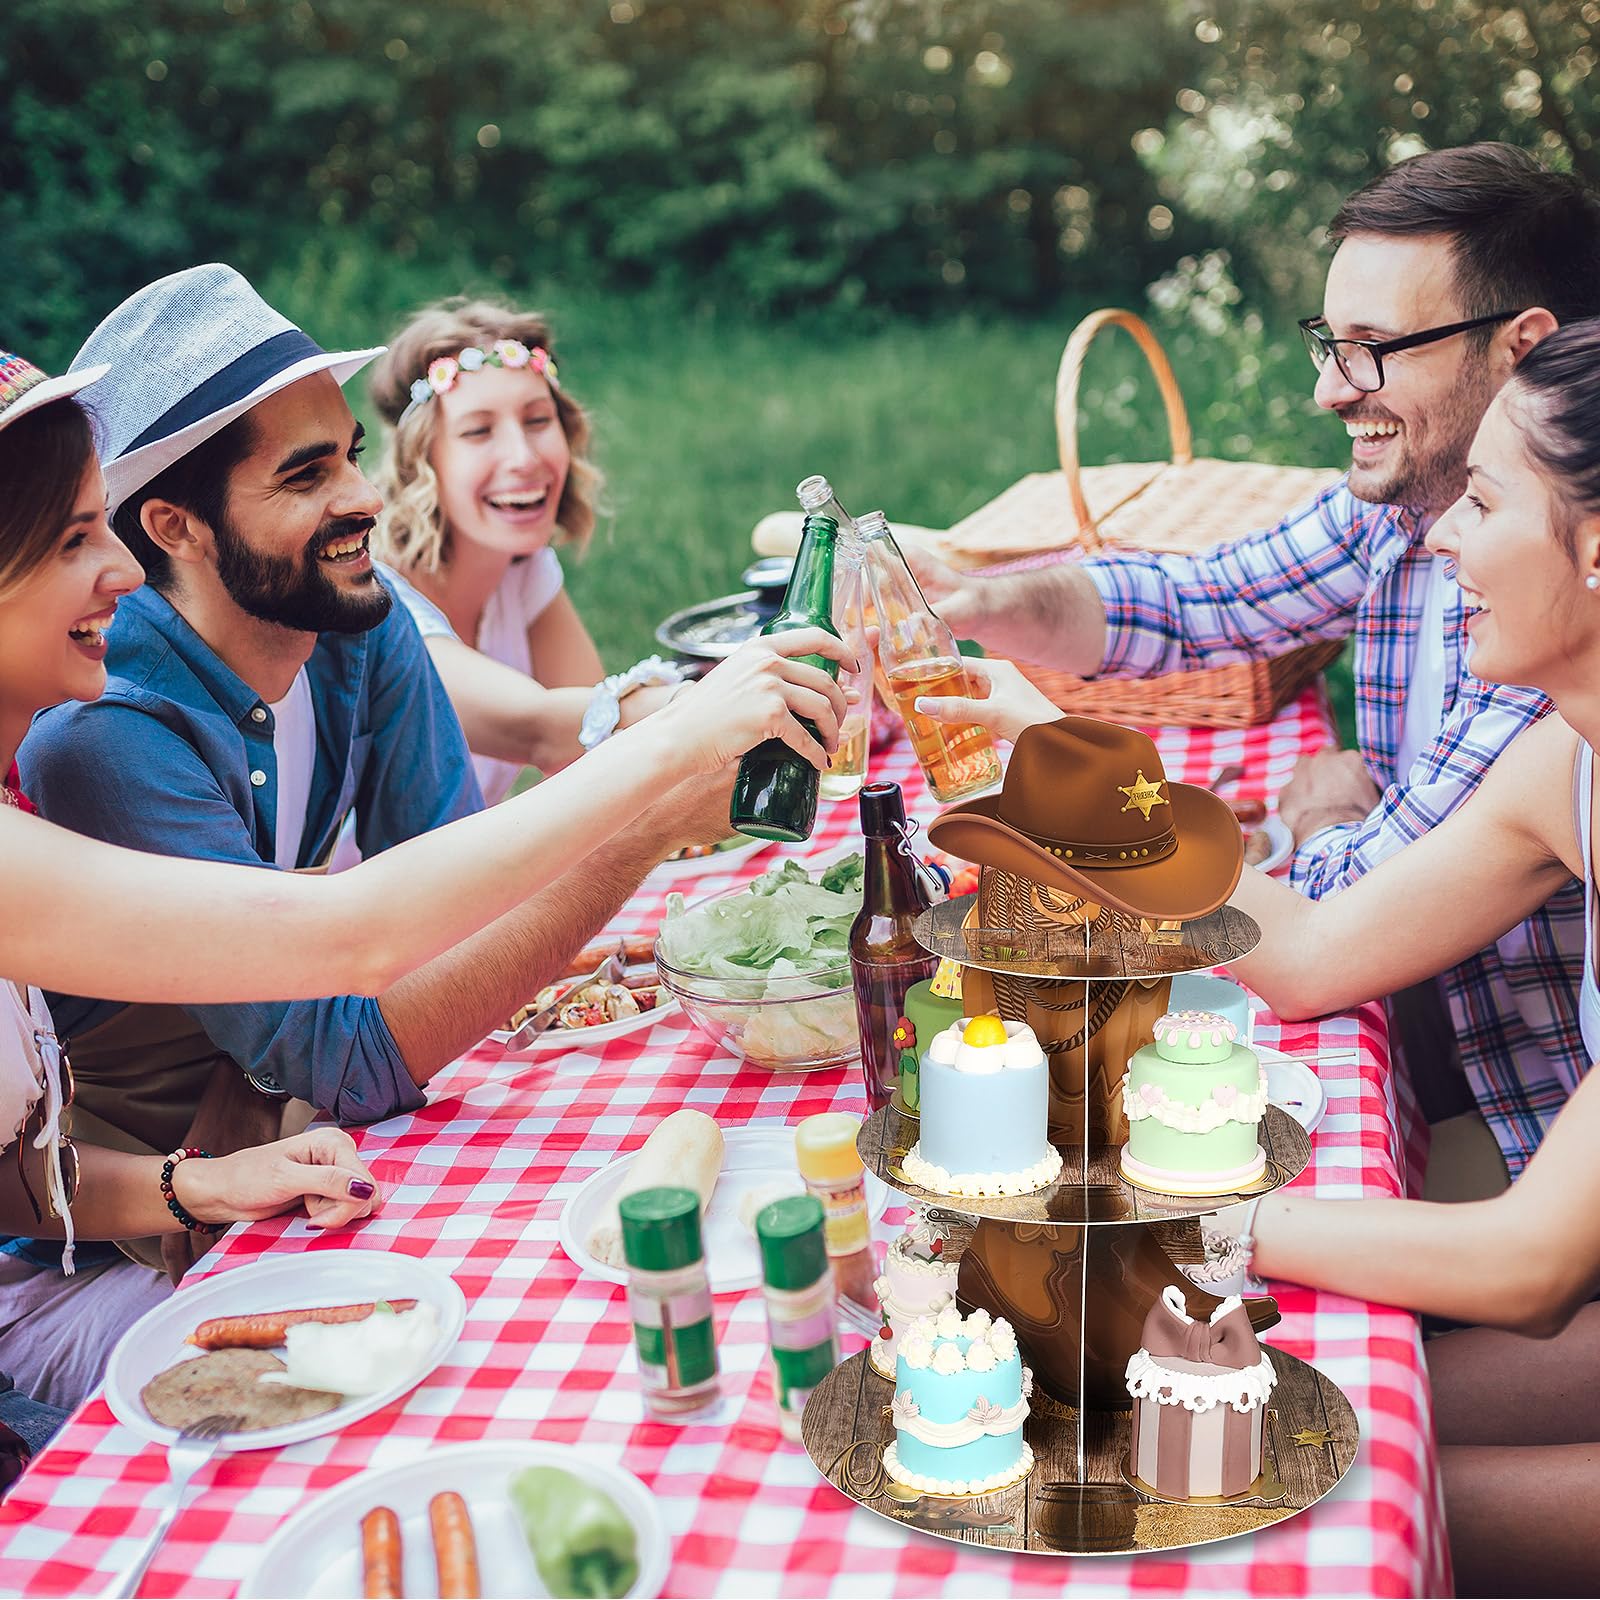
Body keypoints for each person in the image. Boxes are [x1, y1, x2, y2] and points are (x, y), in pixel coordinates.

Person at [0, 348, 848, 1418]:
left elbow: (452, 921)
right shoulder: (97, 741)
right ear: (178, 526)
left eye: (350, 456)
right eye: (80, 538)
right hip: (101, 1273)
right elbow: (351, 956)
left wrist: (196, 1182)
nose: (363, 497)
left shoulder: (354, 616)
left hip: (233, 1180)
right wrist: (655, 785)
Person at [918, 319, 1600, 1595]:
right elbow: (1307, 951)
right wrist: (1073, 777)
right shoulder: (1566, 763)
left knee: (1258, 1474)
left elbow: (1528, 1262)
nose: (1440, 537)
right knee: (1197, 1425)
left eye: (1485, 503)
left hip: (1558, 1271)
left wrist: (1169, 1219)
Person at [910, 142, 1600, 1189]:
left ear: (1517, 348)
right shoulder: (1415, 506)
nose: (1328, 389)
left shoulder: (1545, 643)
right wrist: (974, 600)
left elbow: (1324, 928)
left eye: (1372, 348)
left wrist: (1319, 815)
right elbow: (1201, 597)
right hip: (1456, 1060)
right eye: (1327, 341)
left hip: (1526, 1129)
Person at [369, 299, 680, 804]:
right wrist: (708, 698)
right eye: (478, 431)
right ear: (420, 460)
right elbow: (541, 730)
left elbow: (597, 757)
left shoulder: (524, 571)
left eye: (537, 420)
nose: (523, 457)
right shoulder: (374, 603)